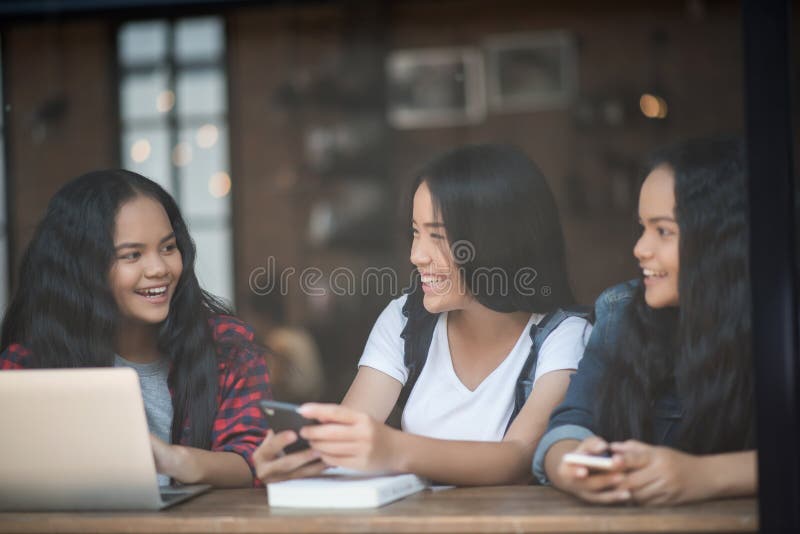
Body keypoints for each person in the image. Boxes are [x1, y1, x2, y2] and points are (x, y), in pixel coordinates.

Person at [253, 144, 591, 485]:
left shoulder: (564, 335)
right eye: (416, 232)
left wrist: (393, 448)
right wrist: (296, 457)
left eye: (438, 236)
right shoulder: (404, 320)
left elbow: (517, 457)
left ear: (498, 241)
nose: (416, 255)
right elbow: (347, 439)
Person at [0, 170, 271, 488]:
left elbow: (255, 460)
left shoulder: (227, 348)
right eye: (132, 255)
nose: (159, 269)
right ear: (82, 267)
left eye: (168, 248)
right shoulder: (26, 366)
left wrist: (176, 460)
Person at [533, 137, 756, 505]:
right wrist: (574, 468)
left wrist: (703, 476)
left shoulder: (781, 323)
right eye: (642, 228)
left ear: (724, 238)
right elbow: (567, 428)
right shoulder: (620, 312)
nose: (640, 248)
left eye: (663, 231)